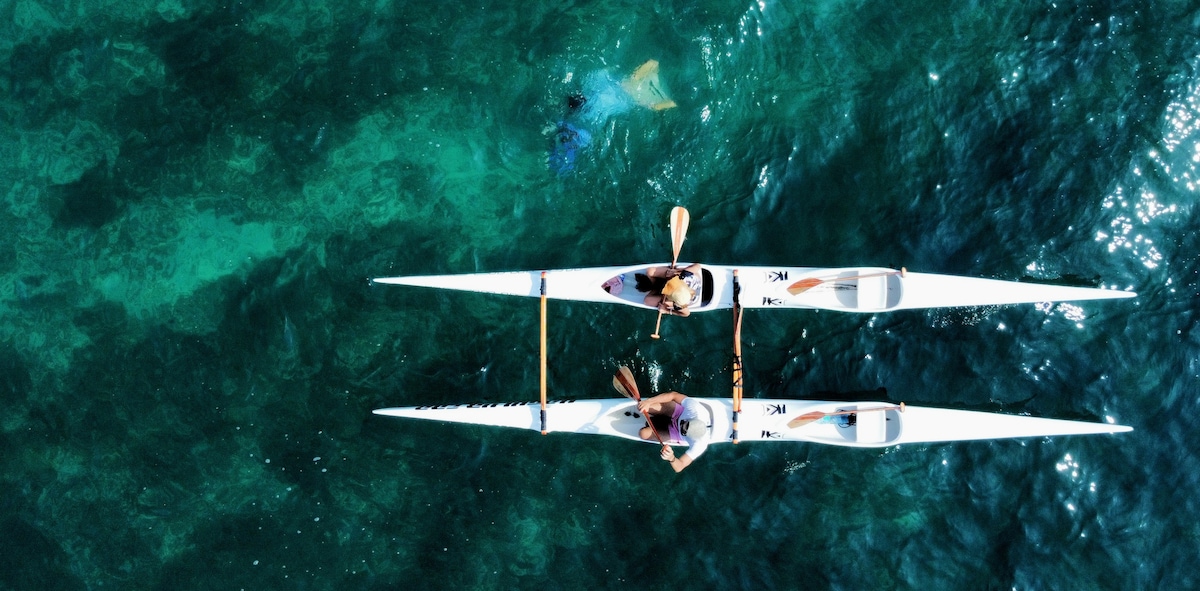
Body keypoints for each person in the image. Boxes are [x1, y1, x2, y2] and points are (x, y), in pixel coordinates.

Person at [636, 391, 712, 472]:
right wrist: (648, 401)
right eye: (684, 423)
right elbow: (674, 395)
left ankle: (659, 422)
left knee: (643, 434)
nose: (680, 426)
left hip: (676, 434)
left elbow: (680, 466)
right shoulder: (696, 409)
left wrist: (671, 458)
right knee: (646, 406)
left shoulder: (700, 445)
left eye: (683, 431)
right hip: (678, 413)